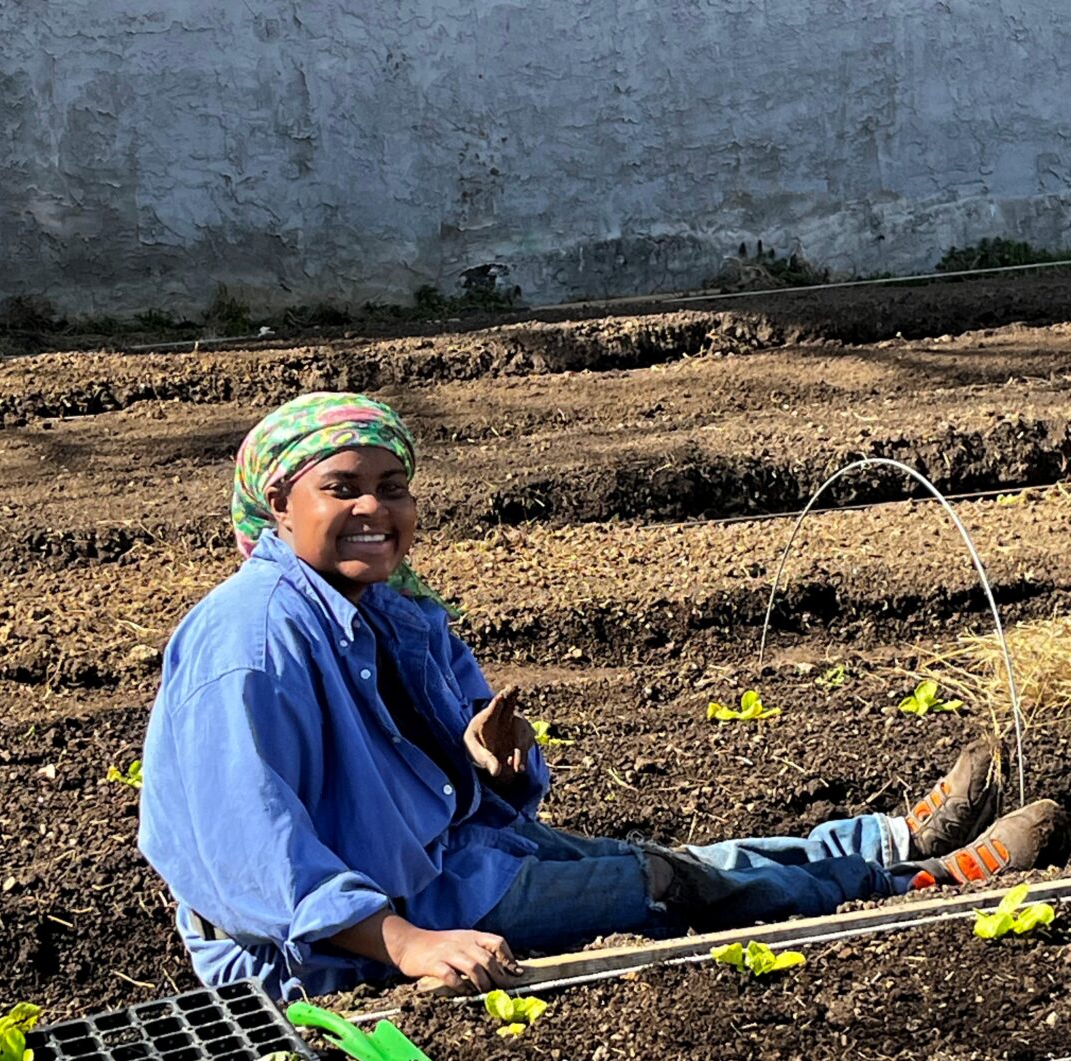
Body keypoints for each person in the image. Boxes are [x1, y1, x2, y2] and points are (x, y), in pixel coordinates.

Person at [138, 392, 1067, 1000]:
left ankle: (890, 839)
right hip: (351, 935)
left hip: (450, 852)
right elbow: (243, 850)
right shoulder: (250, 640)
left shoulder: (388, 606)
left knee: (663, 860)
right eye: (341, 488)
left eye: (393, 487)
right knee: (661, 885)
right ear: (275, 507)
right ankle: (916, 881)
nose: (375, 509)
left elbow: (433, 761)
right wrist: (409, 943)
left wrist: (491, 766)